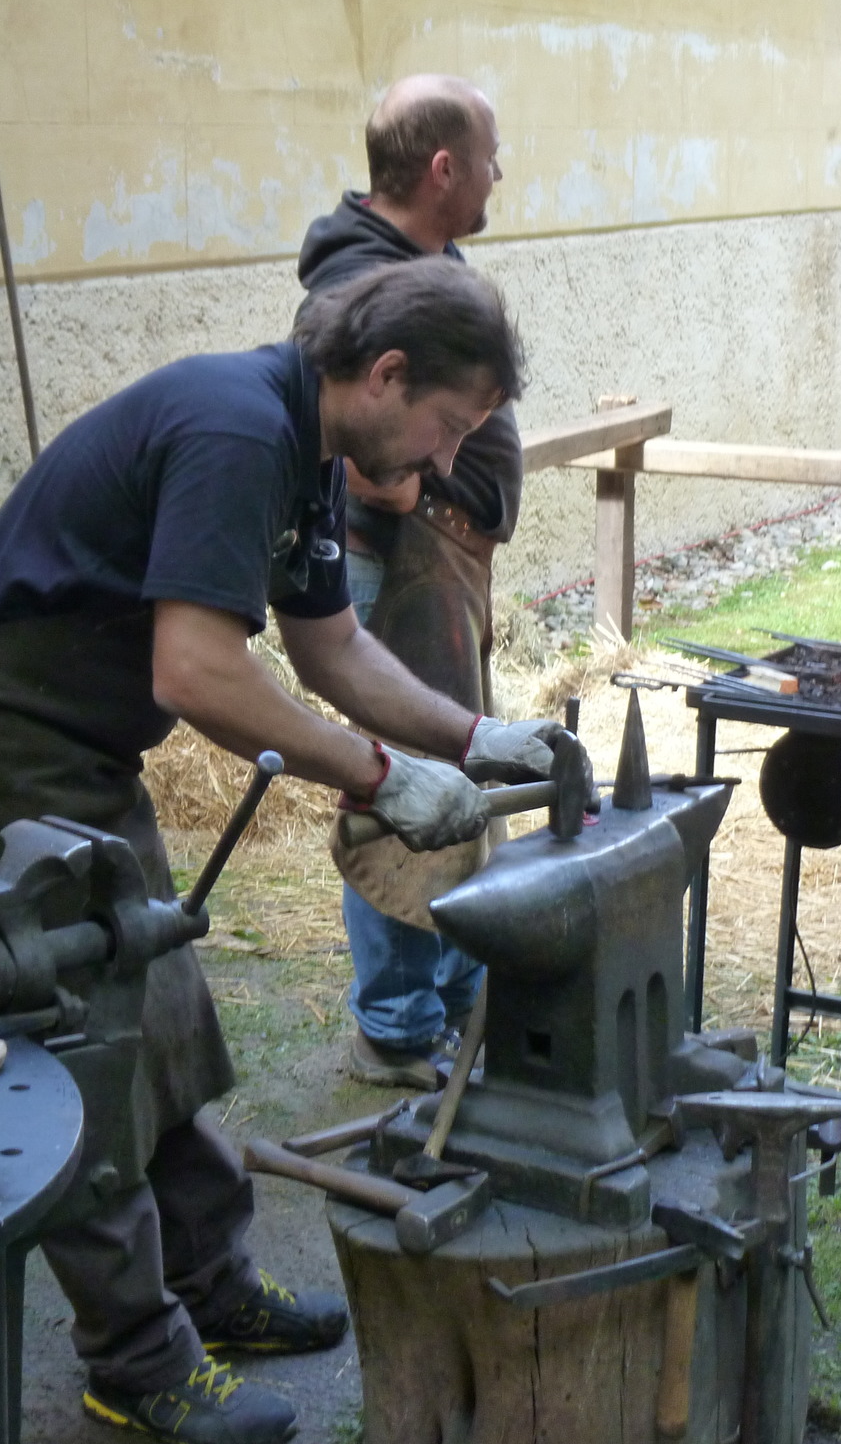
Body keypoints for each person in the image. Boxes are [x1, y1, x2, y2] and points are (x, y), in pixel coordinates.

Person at [0, 257, 585, 1444]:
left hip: (75, 761)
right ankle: (138, 1365)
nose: (445, 460)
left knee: (164, 1021)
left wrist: (472, 738)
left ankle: (211, 1288)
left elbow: (333, 652)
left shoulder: (303, 458)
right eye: (446, 426)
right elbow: (194, 672)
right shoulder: (236, 427)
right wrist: (377, 776)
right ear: (386, 374)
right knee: (76, 1063)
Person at [296, 75, 523, 1091]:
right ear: (443, 168)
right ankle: (395, 1025)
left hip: (444, 555)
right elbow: (342, 449)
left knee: (457, 773)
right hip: (407, 560)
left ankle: (455, 1000)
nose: (496, 174)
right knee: (407, 782)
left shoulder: (416, 258)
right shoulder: (356, 278)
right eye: (487, 156)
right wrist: (399, 482)